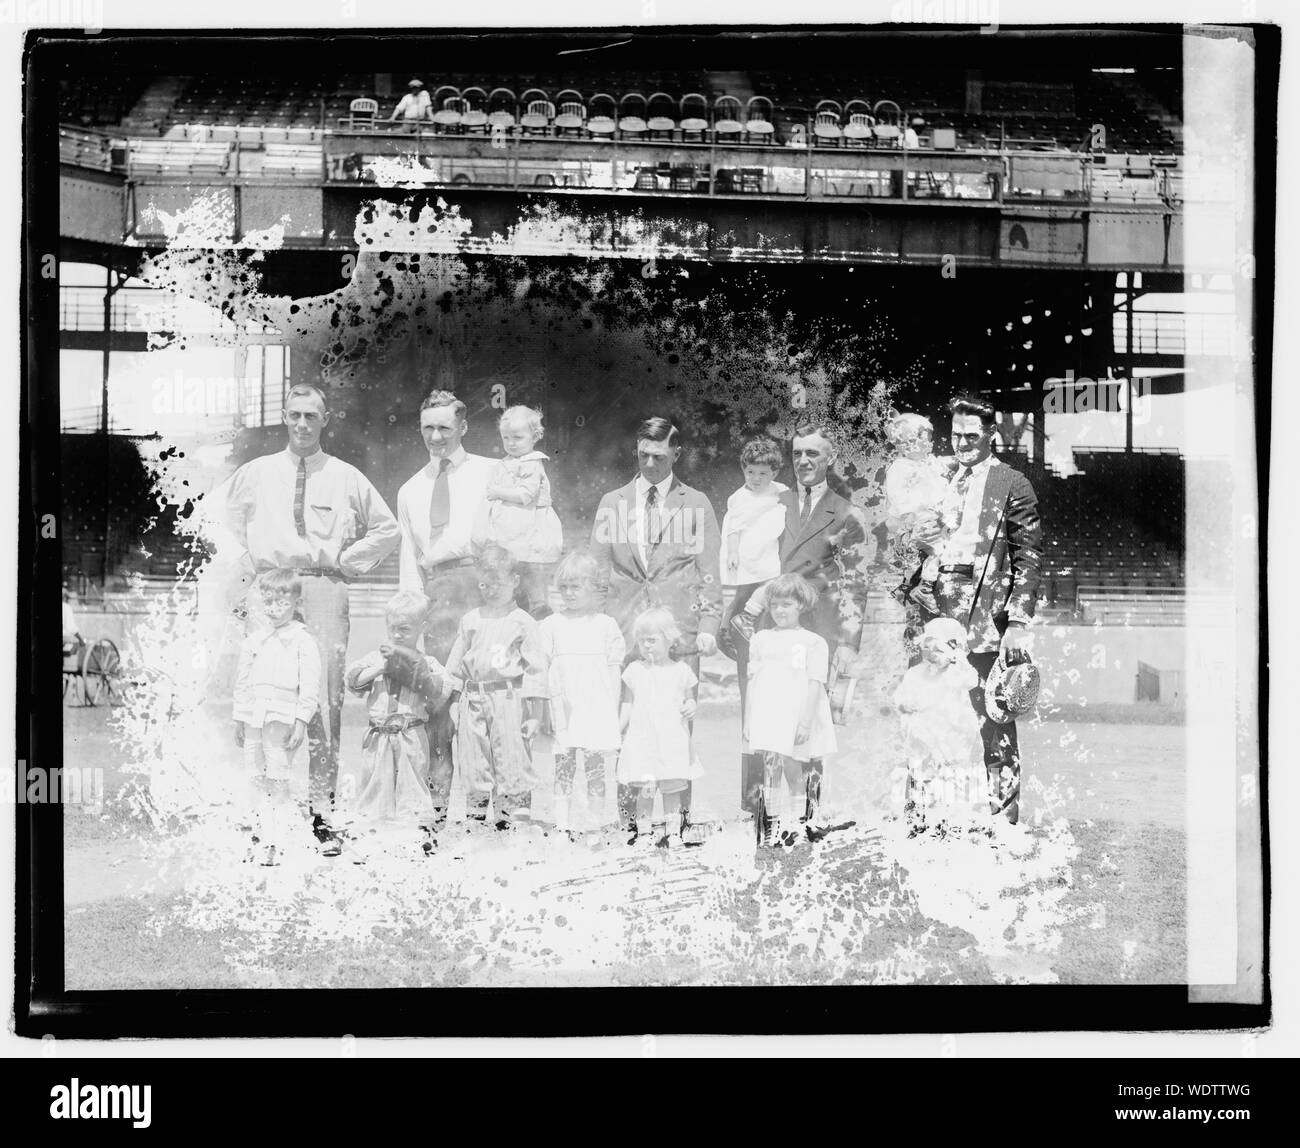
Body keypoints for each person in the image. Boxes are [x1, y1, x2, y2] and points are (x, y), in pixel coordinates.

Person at [223, 382, 400, 855]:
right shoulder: (257, 472)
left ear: (326, 420)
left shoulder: (345, 476)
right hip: (271, 587)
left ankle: (322, 811)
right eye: (296, 415)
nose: (303, 424)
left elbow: (387, 529)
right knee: (264, 694)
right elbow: (222, 521)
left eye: (312, 416)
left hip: (324, 584)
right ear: (284, 416)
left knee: (322, 698)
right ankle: (266, 811)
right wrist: (250, 561)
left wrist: (348, 561)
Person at [724, 424, 872, 834]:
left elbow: (855, 582)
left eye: (813, 454)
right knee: (760, 712)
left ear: (830, 458)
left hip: (815, 629)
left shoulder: (846, 513)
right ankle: (756, 808)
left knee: (809, 720)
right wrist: (734, 617)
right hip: (766, 625)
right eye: (797, 454)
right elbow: (744, 554)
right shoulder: (772, 499)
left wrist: (848, 641)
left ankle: (809, 814)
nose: (803, 462)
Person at [903, 391, 1042, 827]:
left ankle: (1003, 821)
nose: (961, 443)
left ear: (992, 435)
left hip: (985, 619)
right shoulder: (936, 476)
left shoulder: (1012, 483)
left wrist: (1018, 621)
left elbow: (1029, 558)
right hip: (934, 616)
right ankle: (923, 816)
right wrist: (912, 588)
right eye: (956, 435)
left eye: (971, 436)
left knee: (993, 719)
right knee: (926, 721)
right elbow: (911, 542)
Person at [589, 416, 721, 836]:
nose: (649, 463)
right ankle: (631, 824)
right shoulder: (613, 502)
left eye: (658, 456)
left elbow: (709, 572)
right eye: (643, 454)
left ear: (676, 454)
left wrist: (708, 624)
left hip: (677, 634)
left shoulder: (695, 502)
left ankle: (677, 823)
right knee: (627, 728)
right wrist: (597, 626)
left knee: (676, 729)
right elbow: (597, 569)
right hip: (625, 632)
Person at [396, 389, 496, 832]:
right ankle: (438, 816)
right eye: (427, 428)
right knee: (441, 710)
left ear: (463, 427)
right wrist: (411, 624)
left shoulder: (492, 473)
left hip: (483, 589)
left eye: (444, 427)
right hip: (437, 596)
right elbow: (408, 563)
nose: (435, 436)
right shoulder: (410, 488)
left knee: (490, 706)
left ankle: (497, 815)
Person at [444, 545, 548, 830]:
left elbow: (537, 670)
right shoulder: (471, 620)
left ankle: (513, 826)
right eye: (484, 584)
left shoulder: (523, 622)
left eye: (498, 584)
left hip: (508, 697)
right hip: (473, 697)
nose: (491, 590)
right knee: (474, 760)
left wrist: (536, 713)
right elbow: (455, 665)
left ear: (515, 581)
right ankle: (476, 824)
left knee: (511, 758)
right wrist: (454, 700)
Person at [341, 591, 452, 852]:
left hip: (410, 733)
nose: (398, 634)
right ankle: (373, 834)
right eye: (393, 629)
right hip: (379, 733)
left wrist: (417, 672)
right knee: (375, 781)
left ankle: (412, 836)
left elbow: (441, 689)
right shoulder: (376, 657)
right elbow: (352, 680)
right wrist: (381, 668)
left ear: (421, 628)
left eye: (405, 628)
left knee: (411, 783)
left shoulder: (428, 661)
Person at [232, 570, 321, 867]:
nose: (274, 607)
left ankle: (279, 842)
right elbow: (243, 682)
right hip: (253, 717)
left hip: (282, 718)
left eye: (282, 601)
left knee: (278, 779)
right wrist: (238, 718)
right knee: (256, 777)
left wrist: (302, 720)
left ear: (296, 601)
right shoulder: (255, 640)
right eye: (268, 601)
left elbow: (310, 685)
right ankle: (261, 837)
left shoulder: (302, 640)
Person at [742, 574, 836, 848]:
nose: (780, 611)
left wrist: (805, 721)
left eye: (786, 604)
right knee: (770, 769)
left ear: (801, 606)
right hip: (767, 712)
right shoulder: (760, 639)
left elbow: (815, 682)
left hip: (795, 713)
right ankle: (770, 825)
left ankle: (797, 824)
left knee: (794, 771)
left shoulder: (812, 642)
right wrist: (748, 720)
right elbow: (753, 682)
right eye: (774, 605)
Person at [538, 549, 626, 843]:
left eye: (576, 586)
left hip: (596, 708)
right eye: (564, 587)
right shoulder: (551, 625)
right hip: (563, 706)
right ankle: (562, 828)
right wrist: (546, 711)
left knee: (595, 769)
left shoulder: (606, 625)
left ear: (593, 587)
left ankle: (592, 827)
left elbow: (614, 672)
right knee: (563, 768)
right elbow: (542, 669)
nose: (568, 593)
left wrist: (611, 711)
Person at [616, 607, 702, 849]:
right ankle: (644, 833)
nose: (647, 646)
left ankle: (672, 832)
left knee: (672, 790)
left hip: (671, 740)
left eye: (652, 640)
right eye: (642, 642)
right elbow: (627, 703)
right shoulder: (634, 670)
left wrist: (691, 706)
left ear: (669, 639)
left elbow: (690, 698)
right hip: (643, 740)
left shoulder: (681, 670)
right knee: (646, 789)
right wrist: (618, 730)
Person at [892, 616, 982, 838]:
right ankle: (916, 820)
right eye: (928, 649)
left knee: (953, 779)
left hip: (953, 738)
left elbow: (972, 679)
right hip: (922, 739)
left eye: (939, 651)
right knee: (919, 777)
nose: (932, 656)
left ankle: (951, 822)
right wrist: (905, 704)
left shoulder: (958, 674)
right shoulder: (916, 674)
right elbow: (900, 697)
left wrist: (958, 659)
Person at [473, 404, 563, 617]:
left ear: (534, 436)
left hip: (529, 530)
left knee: (533, 583)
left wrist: (497, 491)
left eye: (518, 437)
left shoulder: (531, 463)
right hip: (510, 532)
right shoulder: (506, 463)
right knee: (510, 582)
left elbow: (525, 495)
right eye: (506, 438)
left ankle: (539, 615)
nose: (511, 443)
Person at [720, 436, 789, 614]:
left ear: (773, 474)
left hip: (767, 548)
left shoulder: (779, 490)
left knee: (772, 582)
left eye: (762, 474)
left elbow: (792, 508)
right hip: (746, 550)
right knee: (746, 589)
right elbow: (733, 528)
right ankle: (735, 621)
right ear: (744, 470)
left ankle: (745, 616)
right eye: (750, 472)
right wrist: (733, 552)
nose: (756, 479)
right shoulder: (740, 498)